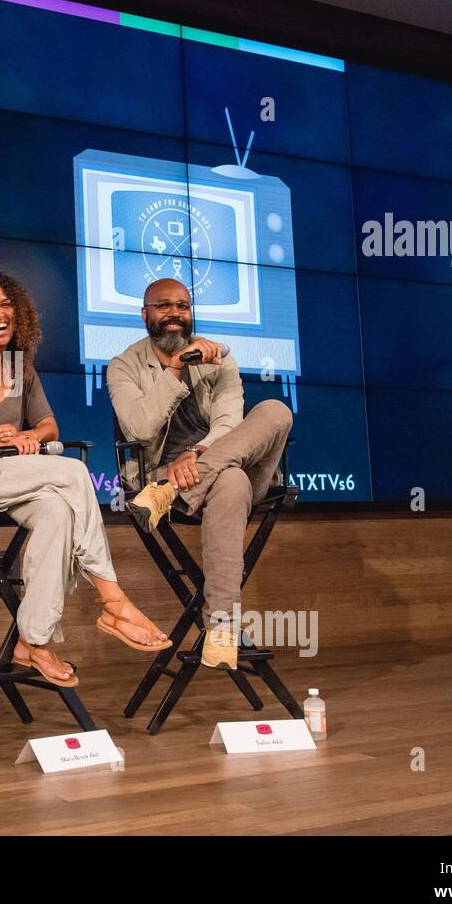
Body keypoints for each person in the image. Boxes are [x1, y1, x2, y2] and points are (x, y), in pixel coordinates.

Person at [0, 271, 170, 688]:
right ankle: (113, 600)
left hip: (7, 470)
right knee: (72, 471)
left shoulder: (21, 366)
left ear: (18, 312)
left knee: (57, 513)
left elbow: (49, 425)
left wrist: (29, 436)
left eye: (5, 304)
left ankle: (32, 641)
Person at [107, 278, 292, 671]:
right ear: (145, 315)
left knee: (276, 410)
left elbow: (230, 422)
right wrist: (174, 368)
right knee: (231, 481)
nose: (175, 314)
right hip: (166, 473)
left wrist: (195, 455)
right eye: (164, 306)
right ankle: (222, 630)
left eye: (183, 306)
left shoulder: (219, 356)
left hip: (190, 474)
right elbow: (139, 428)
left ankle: (166, 494)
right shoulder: (122, 366)